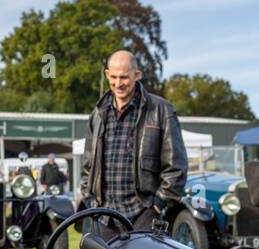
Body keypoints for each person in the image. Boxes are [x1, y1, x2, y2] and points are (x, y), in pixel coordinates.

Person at [79, 50, 187, 232]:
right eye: (113, 77)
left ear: (137, 75)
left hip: (143, 214)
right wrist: (89, 200)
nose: (118, 84)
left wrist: (158, 204)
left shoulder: (161, 110)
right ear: (107, 74)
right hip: (104, 217)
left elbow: (176, 165)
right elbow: (88, 165)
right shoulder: (97, 114)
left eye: (124, 78)